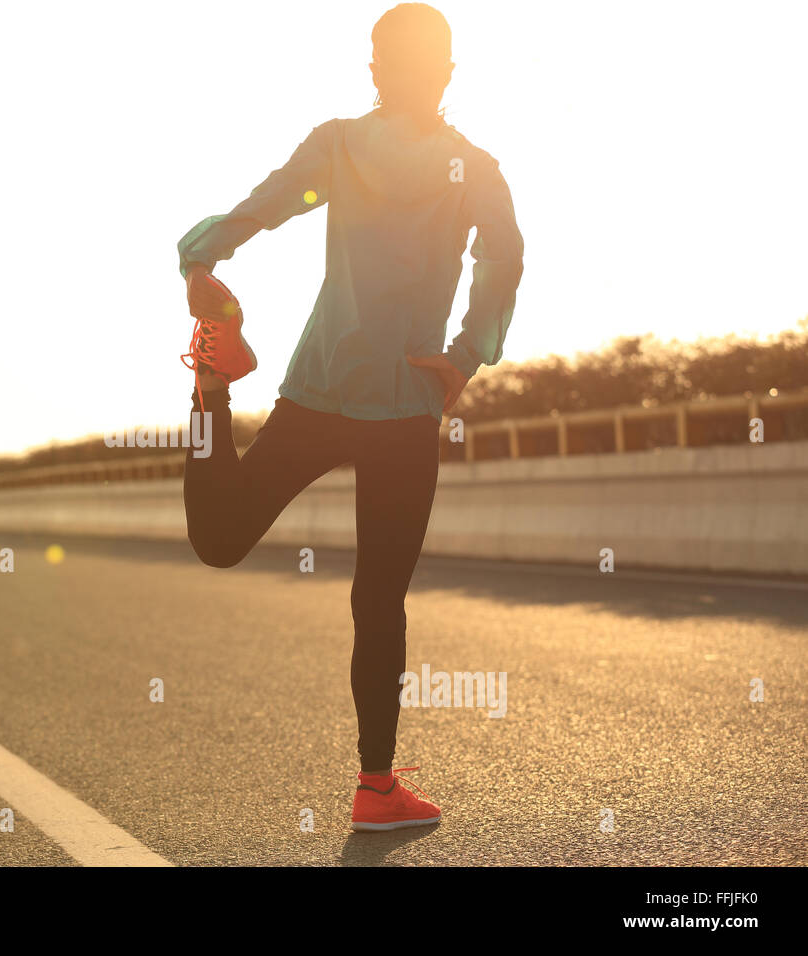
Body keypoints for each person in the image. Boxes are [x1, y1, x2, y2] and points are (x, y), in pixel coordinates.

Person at [176, 2, 523, 831]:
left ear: (374, 70)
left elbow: (271, 202)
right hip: (403, 404)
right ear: (446, 71)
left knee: (219, 541)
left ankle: (207, 396)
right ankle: (376, 788)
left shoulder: (339, 144)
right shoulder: (472, 167)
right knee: (380, 600)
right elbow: (505, 259)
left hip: (324, 385)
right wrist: (468, 356)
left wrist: (205, 250)